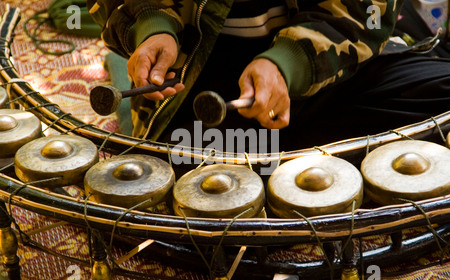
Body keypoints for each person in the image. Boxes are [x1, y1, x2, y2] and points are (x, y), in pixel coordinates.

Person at [87, 0, 450, 151]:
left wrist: (287, 63)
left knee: (442, 94)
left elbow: (365, 10)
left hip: (321, 62)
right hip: (200, 76)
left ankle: (279, 154)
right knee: (201, 189)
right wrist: (152, 26)